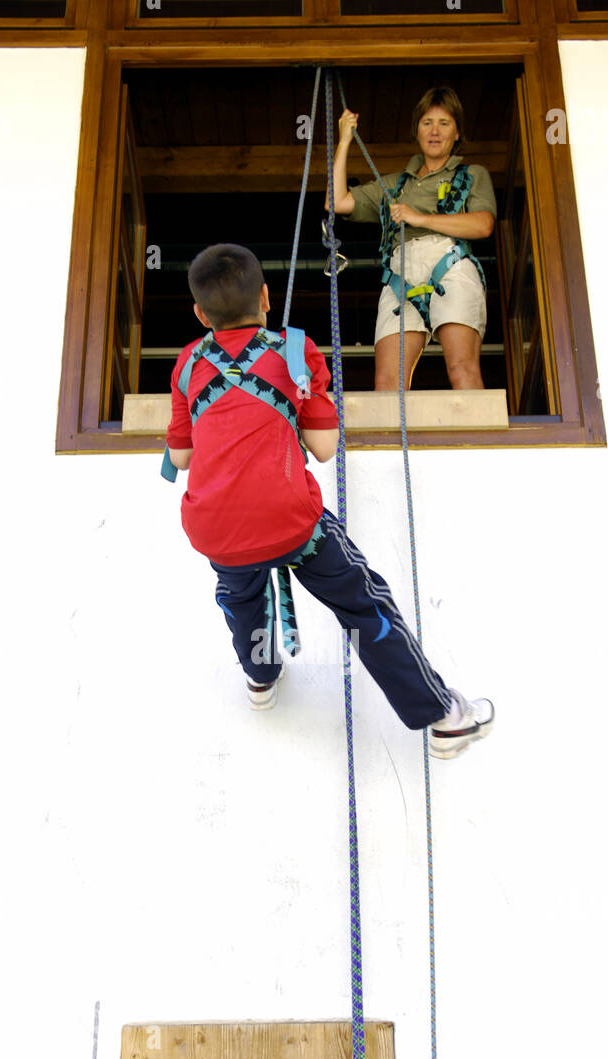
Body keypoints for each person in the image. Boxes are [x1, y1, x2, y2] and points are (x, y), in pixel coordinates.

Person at [165, 243, 494, 760]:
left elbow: (180, 458)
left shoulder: (186, 364)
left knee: (241, 598)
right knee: (364, 608)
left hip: (215, 529)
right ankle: (442, 716)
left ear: (200, 314)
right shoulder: (295, 349)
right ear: (267, 297)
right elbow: (323, 449)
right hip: (291, 519)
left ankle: (260, 675)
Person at [328, 86, 497, 392]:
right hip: (400, 271)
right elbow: (336, 202)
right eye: (427, 123)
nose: (435, 131)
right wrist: (344, 141)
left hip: (452, 262)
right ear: (417, 131)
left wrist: (419, 218)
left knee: (461, 368)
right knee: (387, 382)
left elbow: (483, 225)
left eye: (444, 123)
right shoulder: (393, 184)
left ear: (457, 132)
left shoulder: (472, 174)